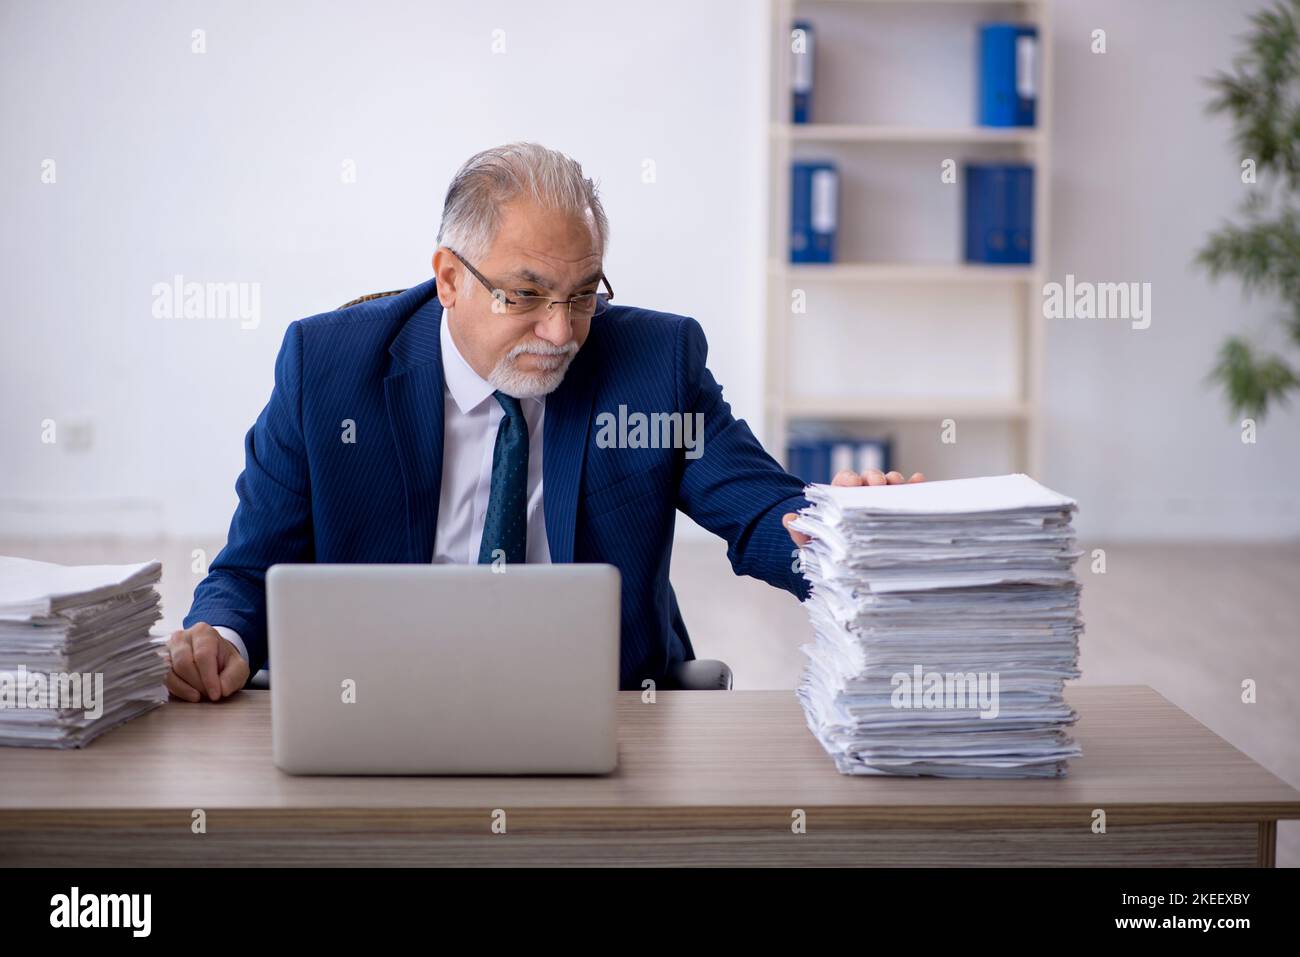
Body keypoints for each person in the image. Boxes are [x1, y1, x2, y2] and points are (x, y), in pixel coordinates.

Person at [167, 142, 923, 702]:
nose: (560, 333)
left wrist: (848, 533)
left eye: (583, 294)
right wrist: (220, 638)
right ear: (449, 278)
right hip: (378, 702)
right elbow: (249, 568)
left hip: (602, 707)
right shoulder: (327, 372)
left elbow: (758, 508)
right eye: (524, 296)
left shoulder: (649, 366)